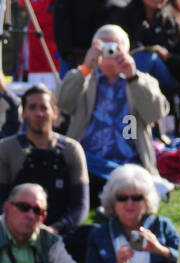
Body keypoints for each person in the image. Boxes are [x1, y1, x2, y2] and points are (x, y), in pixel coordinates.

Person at [57, 25, 170, 183]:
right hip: (88, 164)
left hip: (130, 163)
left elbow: (155, 114)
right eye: (102, 45)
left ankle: (114, 175)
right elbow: (62, 104)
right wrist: (85, 68)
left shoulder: (143, 81)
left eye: (115, 45)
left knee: (128, 173)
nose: (108, 50)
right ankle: (112, 175)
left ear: (127, 50)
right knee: (81, 161)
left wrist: (133, 78)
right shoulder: (83, 78)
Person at [106, 0, 180, 136]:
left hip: (166, 77)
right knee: (143, 57)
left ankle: (122, 101)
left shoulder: (173, 20)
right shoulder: (123, 16)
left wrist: (167, 56)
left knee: (146, 58)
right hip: (128, 72)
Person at [0, 85, 89, 238]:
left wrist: (56, 229)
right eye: (32, 108)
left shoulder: (72, 150)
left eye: (44, 108)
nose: (39, 113)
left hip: (60, 235)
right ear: (23, 113)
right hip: (14, 235)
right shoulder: (6, 149)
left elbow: (80, 206)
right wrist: (20, 229)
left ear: (55, 112)